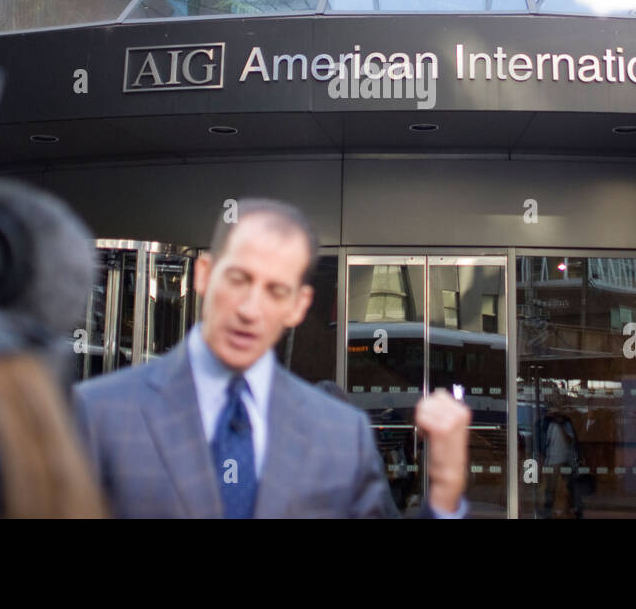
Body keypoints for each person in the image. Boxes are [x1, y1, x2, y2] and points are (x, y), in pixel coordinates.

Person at [72, 198, 471, 518]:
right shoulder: (97, 414)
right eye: (238, 279)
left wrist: (444, 495)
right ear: (204, 275)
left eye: (275, 290)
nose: (250, 308)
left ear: (298, 306)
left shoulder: (341, 436)